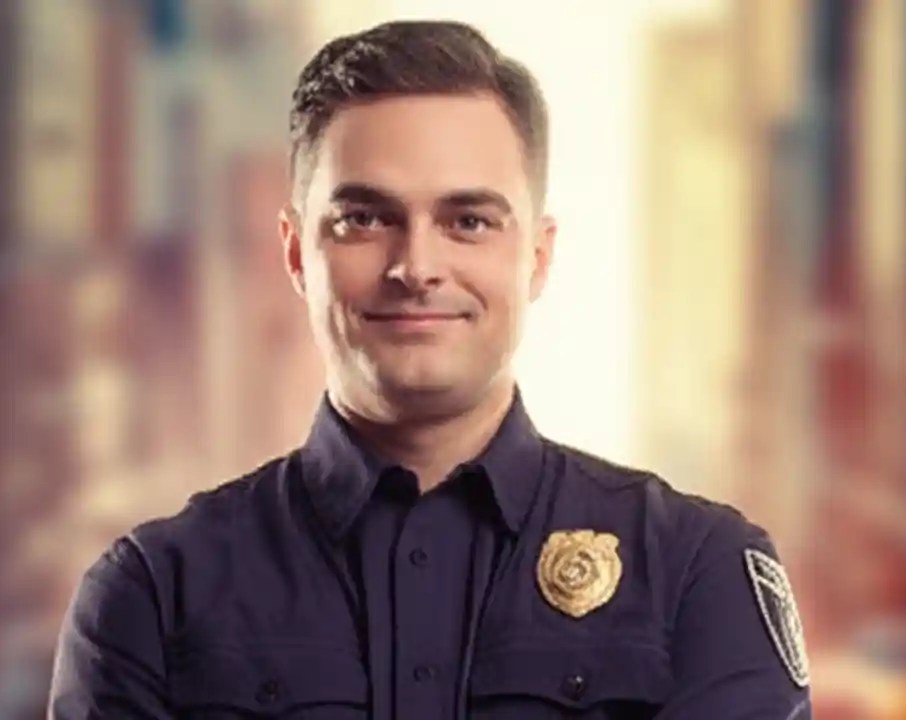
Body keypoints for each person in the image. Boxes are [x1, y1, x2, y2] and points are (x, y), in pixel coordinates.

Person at [48, 19, 812, 719]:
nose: (416, 266)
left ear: (537, 256)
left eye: (468, 221)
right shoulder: (151, 596)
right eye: (365, 219)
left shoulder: (696, 575)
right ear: (294, 253)